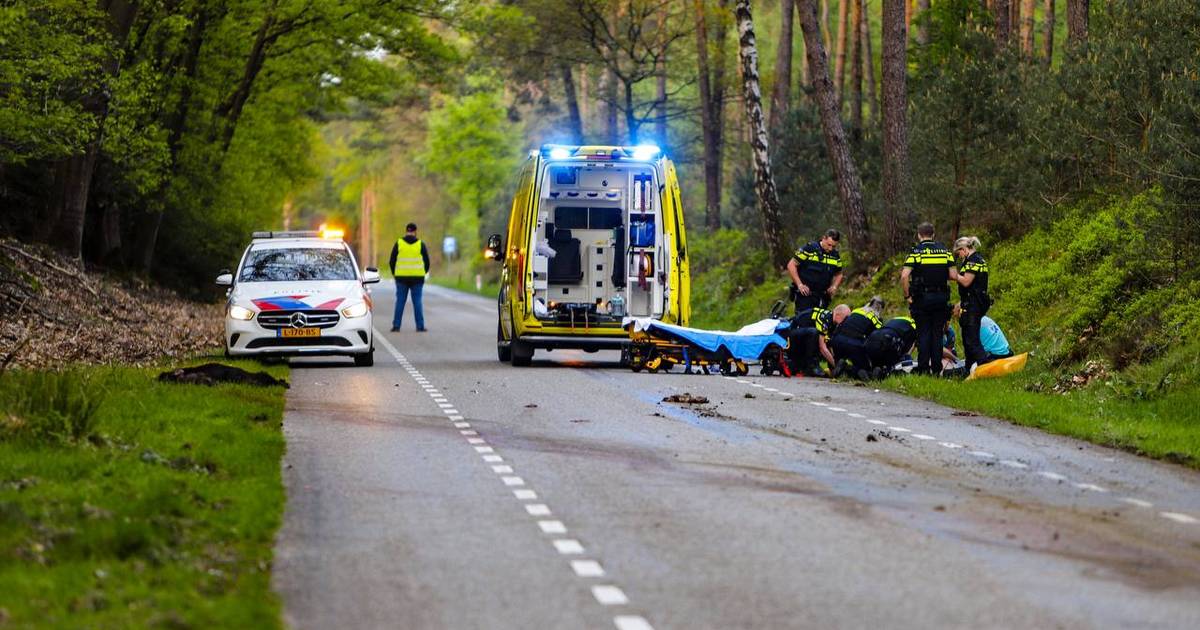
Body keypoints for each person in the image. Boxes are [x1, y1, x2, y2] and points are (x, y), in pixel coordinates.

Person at [900, 222, 959, 375]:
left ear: (919, 235)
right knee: (937, 334)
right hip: (941, 299)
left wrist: (907, 296)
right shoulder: (944, 251)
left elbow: (904, 276)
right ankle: (937, 369)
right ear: (933, 234)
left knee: (923, 333)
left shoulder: (916, 252)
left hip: (922, 299)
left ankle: (923, 369)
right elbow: (953, 275)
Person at [953, 236, 991, 371]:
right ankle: (969, 369)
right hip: (973, 303)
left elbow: (966, 281)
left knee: (972, 340)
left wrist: (953, 275)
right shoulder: (977, 259)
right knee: (967, 339)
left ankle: (985, 368)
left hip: (974, 305)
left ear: (963, 249)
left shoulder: (973, 261)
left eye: (959, 254)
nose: (959, 257)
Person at [787, 229, 844, 313]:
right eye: (829, 245)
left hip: (823, 298)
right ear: (823, 238)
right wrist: (799, 284)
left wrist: (834, 286)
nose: (831, 248)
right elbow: (791, 265)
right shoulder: (809, 249)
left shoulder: (835, 255)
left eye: (834, 246)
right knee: (804, 322)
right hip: (806, 296)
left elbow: (839, 274)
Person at [389, 222, 430, 332]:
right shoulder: (421, 244)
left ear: (406, 231)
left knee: (400, 301)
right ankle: (420, 326)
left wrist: (395, 273)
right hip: (417, 278)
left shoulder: (399, 243)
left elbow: (392, 261)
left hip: (401, 278)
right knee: (417, 302)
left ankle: (396, 326)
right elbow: (427, 261)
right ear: (415, 232)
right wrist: (423, 272)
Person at [829, 303, 883, 379]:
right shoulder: (876, 318)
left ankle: (842, 367)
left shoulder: (855, 311)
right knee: (865, 369)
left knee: (841, 362)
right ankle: (852, 369)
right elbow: (878, 337)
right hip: (854, 344)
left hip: (837, 340)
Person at [786, 306, 837, 376]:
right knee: (814, 333)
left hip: (801, 335)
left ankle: (806, 365)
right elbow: (823, 348)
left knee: (821, 337)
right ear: (838, 316)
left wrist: (833, 366)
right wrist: (836, 365)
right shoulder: (825, 319)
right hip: (792, 335)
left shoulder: (831, 320)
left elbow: (829, 343)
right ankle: (811, 366)